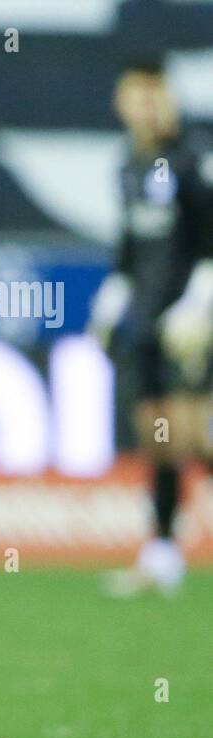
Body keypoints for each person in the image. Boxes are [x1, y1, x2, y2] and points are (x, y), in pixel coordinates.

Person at [89, 56, 213, 596]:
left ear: (168, 98)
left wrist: (200, 304)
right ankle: (162, 553)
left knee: (194, 434)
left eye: (153, 94)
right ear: (121, 102)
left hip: (189, 316)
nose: (144, 105)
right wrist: (111, 301)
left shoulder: (192, 158)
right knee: (155, 436)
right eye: (134, 95)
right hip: (143, 317)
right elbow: (130, 247)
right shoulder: (128, 166)